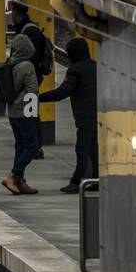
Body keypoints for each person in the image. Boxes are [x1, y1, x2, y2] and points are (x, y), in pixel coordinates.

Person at [39, 37, 97, 193]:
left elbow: (62, 92)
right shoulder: (96, 66)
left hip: (85, 118)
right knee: (93, 149)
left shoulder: (75, 70)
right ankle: (97, 179)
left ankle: (76, 182)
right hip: (99, 116)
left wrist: (39, 98)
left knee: (82, 149)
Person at [10, 2, 50, 159]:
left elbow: (32, 53)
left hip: (30, 77)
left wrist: (22, 69)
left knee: (31, 112)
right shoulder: (25, 27)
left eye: (12, 11)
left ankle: (35, 146)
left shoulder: (29, 30)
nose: (11, 14)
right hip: (27, 74)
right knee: (28, 112)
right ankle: (29, 144)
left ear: (17, 13)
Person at [2, 34, 41, 195]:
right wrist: (34, 112)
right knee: (33, 146)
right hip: (26, 110)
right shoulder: (27, 66)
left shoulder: (10, 63)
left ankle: (19, 182)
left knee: (20, 144)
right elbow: (33, 90)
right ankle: (14, 175)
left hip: (13, 111)